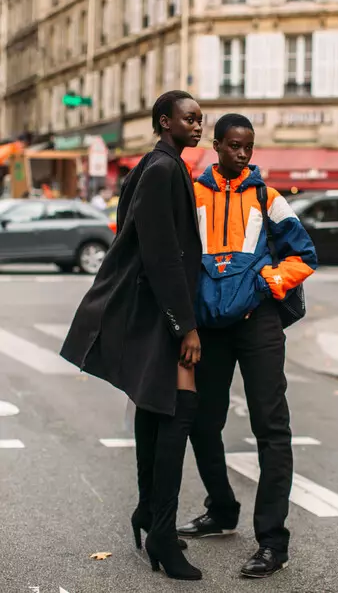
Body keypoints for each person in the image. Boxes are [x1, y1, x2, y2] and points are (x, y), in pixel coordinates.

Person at [61, 91, 204, 581]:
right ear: (165, 122)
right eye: (190, 118)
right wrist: (185, 325)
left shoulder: (153, 165)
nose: (198, 125)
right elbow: (164, 253)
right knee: (180, 410)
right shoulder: (164, 169)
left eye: (200, 119)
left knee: (156, 406)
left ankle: (149, 513)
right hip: (164, 312)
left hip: (152, 309)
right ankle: (161, 533)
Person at [177, 114, 317, 578]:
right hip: (209, 329)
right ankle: (221, 508)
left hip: (259, 325)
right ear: (217, 146)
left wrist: (270, 281)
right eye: (234, 145)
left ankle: (273, 543)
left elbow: (305, 256)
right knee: (201, 422)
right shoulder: (192, 194)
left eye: (248, 147)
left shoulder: (268, 198)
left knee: (271, 429)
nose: (242, 154)